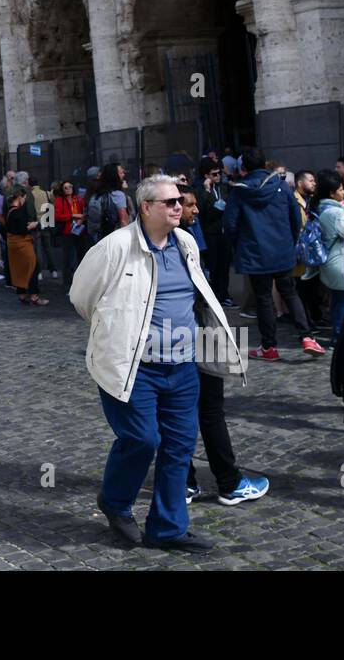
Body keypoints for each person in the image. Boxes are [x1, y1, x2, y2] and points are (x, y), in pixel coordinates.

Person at [71, 175, 245, 550]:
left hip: (183, 367)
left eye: (179, 200)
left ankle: (168, 527)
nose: (178, 206)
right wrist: (119, 328)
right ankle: (115, 502)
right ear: (146, 207)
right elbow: (81, 297)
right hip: (136, 367)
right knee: (142, 439)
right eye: (169, 202)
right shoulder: (115, 247)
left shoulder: (185, 242)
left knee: (180, 447)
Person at [180, 190, 268, 507]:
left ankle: (188, 482)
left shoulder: (185, 239)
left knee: (192, 412)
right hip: (190, 336)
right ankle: (226, 483)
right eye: (184, 204)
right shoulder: (175, 243)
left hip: (194, 334)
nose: (192, 210)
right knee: (207, 411)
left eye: (190, 204)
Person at [224, 150, 325, 359]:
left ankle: (269, 346)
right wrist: (290, 240)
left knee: (264, 298)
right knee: (290, 292)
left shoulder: (239, 192)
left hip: (255, 251)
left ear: (244, 169)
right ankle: (307, 336)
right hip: (281, 249)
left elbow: (231, 225)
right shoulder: (281, 186)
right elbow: (295, 218)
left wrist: (239, 246)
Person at [315, 169, 344, 346]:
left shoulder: (325, 208)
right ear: (331, 193)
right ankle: (339, 338)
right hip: (338, 261)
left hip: (335, 260)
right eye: (340, 190)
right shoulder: (335, 212)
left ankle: (340, 336)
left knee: (340, 300)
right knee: (342, 301)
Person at [193, 157, 232, 306]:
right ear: (206, 176)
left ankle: (224, 294)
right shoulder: (200, 191)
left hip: (223, 232)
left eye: (219, 173)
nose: (218, 176)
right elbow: (201, 211)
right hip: (210, 232)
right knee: (213, 266)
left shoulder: (223, 188)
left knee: (225, 265)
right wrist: (207, 191)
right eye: (214, 174)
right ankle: (213, 296)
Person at [293, 169, 326, 329]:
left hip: (313, 251)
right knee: (301, 288)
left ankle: (315, 317)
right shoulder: (293, 200)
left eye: (314, 181)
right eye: (310, 180)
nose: (314, 183)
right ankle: (306, 321)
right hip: (300, 251)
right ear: (300, 183)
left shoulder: (312, 201)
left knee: (312, 287)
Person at [4, 188, 47, 306]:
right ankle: (34, 296)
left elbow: (13, 227)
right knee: (33, 268)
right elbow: (22, 230)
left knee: (20, 269)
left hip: (13, 244)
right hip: (22, 243)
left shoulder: (10, 211)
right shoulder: (19, 211)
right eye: (24, 198)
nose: (25, 200)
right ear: (20, 197)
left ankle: (22, 294)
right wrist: (32, 225)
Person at [54, 179, 88, 288]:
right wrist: (73, 216)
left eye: (70, 187)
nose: (68, 189)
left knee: (81, 255)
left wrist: (81, 220)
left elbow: (84, 213)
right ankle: (67, 281)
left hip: (79, 230)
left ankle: (81, 279)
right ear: (62, 190)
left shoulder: (78, 199)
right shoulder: (59, 200)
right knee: (68, 257)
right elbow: (57, 216)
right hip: (67, 231)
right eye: (66, 188)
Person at [85, 162, 130, 243]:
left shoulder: (96, 194)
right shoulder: (118, 194)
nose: (123, 175)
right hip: (114, 236)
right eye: (121, 173)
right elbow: (124, 220)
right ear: (114, 175)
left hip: (98, 235)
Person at [29, 176, 57, 279]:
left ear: (29, 184)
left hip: (35, 222)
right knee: (48, 247)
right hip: (45, 221)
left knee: (37, 248)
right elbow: (53, 205)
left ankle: (39, 272)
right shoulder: (46, 193)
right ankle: (53, 270)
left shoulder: (30, 195)